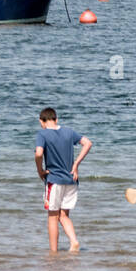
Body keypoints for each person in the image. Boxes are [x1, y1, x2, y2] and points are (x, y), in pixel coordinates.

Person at [34, 107, 92, 253]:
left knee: (53, 216)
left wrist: (39, 170)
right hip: (71, 179)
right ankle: (74, 241)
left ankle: (53, 253)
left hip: (54, 180)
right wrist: (76, 164)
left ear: (41, 121)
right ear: (56, 119)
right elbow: (88, 143)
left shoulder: (42, 134)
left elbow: (39, 153)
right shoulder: (69, 132)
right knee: (64, 215)